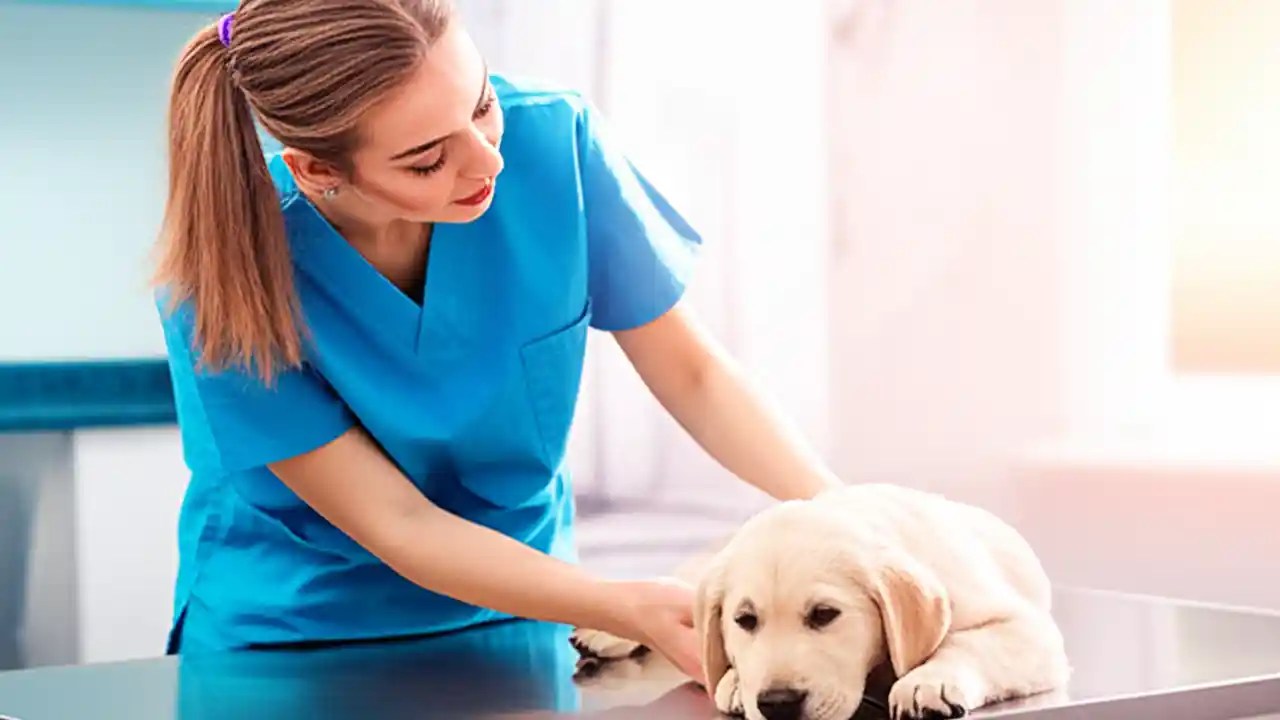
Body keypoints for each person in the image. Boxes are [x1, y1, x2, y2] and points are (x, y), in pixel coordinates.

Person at [153, 0, 840, 684]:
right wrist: (623, 604)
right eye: (426, 161)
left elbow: (694, 375)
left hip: (522, 611)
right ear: (317, 171)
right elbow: (400, 524)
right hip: (295, 642)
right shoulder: (226, 267)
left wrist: (847, 515)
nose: (489, 161)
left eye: (481, 104)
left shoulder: (552, 141)